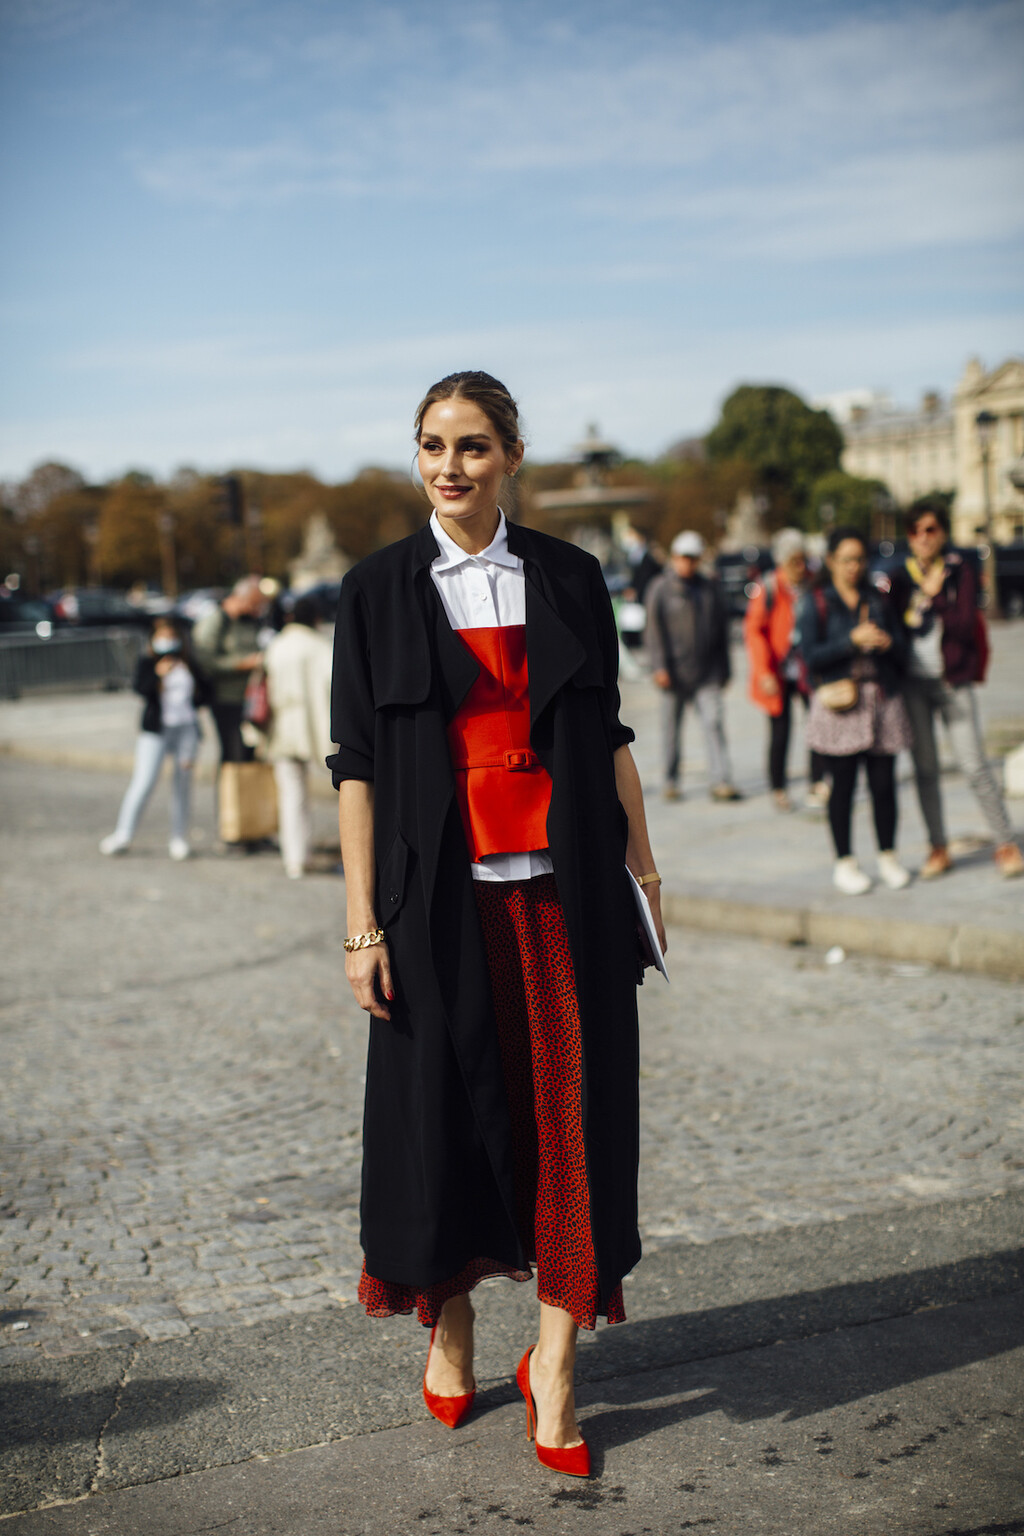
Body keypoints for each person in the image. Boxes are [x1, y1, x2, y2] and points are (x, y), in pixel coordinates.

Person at [329, 370, 665, 1479]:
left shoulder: (571, 577)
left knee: (575, 1123)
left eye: (472, 445)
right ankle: (456, 1322)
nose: (450, 466)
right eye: (432, 445)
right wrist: (360, 928)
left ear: (512, 453)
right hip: (434, 906)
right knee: (445, 1119)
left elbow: (609, 735)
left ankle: (556, 1363)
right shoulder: (374, 590)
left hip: (564, 894)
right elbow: (358, 774)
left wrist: (646, 868)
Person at [888, 504, 1022, 880]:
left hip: (952, 680)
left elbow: (965, 624)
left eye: (930, 529)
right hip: (914, 684)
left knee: (973, 763)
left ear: (943, 533)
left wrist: (937, 597)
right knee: (925, 768)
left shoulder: (959, 571)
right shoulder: (901, 576)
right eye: (915, 530)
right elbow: (891, 624)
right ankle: (938, 846)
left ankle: (1005, 841)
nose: (923, 537)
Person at [796, 527, 912, 895]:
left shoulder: (877, 598)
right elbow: (810, 655)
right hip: (839, 703)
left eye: (860, 559)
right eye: (846, 559)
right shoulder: (816, 601)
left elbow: (903, 650)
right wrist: (851, 641)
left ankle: (888, 857)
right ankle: (845, 863)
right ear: (831, 561)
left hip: (880, 699)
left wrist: (887, 641)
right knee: (842, 787)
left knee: (883, 785)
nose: (854, 566)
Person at [100, 616, 210, 860]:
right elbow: (140, 689)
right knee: (143, 782)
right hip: (156, 731)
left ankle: (179, 838)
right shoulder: (148, 662)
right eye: (162, 637)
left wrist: (197, 691)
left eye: (171, 637)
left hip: (186, 731)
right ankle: (123, 834)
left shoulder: (188, 663)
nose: (167, 641)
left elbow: (204, 693)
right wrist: (159, 675)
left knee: (182, 786)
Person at [644, 530, 741, 801]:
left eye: (693, 558)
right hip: (674, 673)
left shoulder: (710, 588)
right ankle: (670, 781)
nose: (688, 563)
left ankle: (721, 780)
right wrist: (659, 667)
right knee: (671, 731)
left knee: (714, 724)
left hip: (707, 671)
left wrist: (726, 669)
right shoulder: (660, 588)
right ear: (675, 558)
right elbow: (653, 632)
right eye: (683, 558)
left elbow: (722, 632)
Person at [743, 528, 830, 811]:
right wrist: (763, 671)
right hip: (778, 670)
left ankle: (818, 781)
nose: (800, 566)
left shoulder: (812, 585)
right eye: (794, 560)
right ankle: (778, 787)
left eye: (803, 559)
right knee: (780, 731)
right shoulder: (769, 587)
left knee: (817, 723)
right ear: (782, 561)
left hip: (808, 667)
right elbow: (753, 631)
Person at [263, 596, 334, 879]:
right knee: (324, 792)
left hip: (282, 726)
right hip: (314, 726)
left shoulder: (277, 645)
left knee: (290, 793)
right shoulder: (320, 647)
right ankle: (303, 853)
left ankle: (294, 857)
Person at [191, 575, 266, 765]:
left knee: (250, 753)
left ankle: (245, 795)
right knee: (233, 754)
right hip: (226, 698)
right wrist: (240, 664)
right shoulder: (215, 621)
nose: (257, 610)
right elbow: (205, 659)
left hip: (250, 698)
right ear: (240, 597)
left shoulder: (248, 621)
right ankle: (229, 795)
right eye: (254, 604)